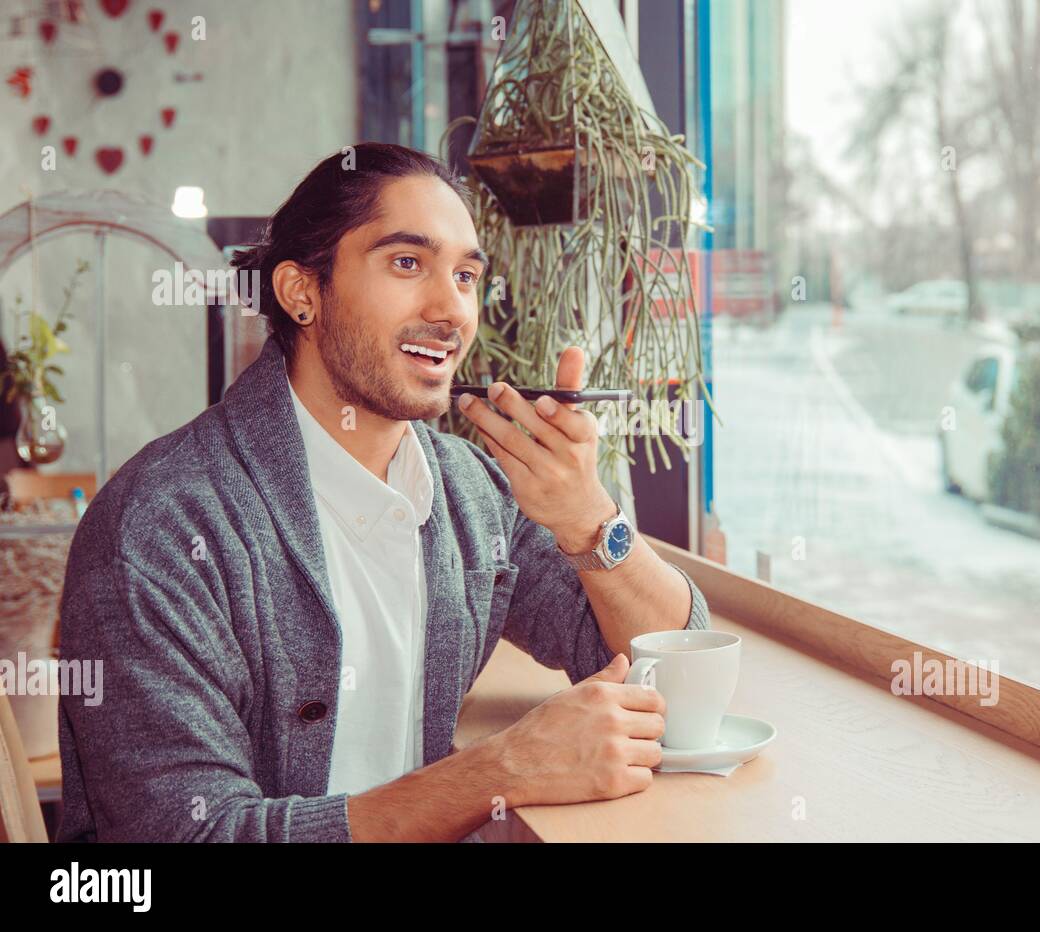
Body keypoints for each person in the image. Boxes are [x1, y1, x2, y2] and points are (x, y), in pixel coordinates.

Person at [56, 143, 710, 842]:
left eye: (465, 276)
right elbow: (192, 836)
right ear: (302, 292)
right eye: (407, 263)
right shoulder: (160, 527)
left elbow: (675, 666)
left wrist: (589, 518)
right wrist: (500, 771)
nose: (451, 310)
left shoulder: (471, 490)